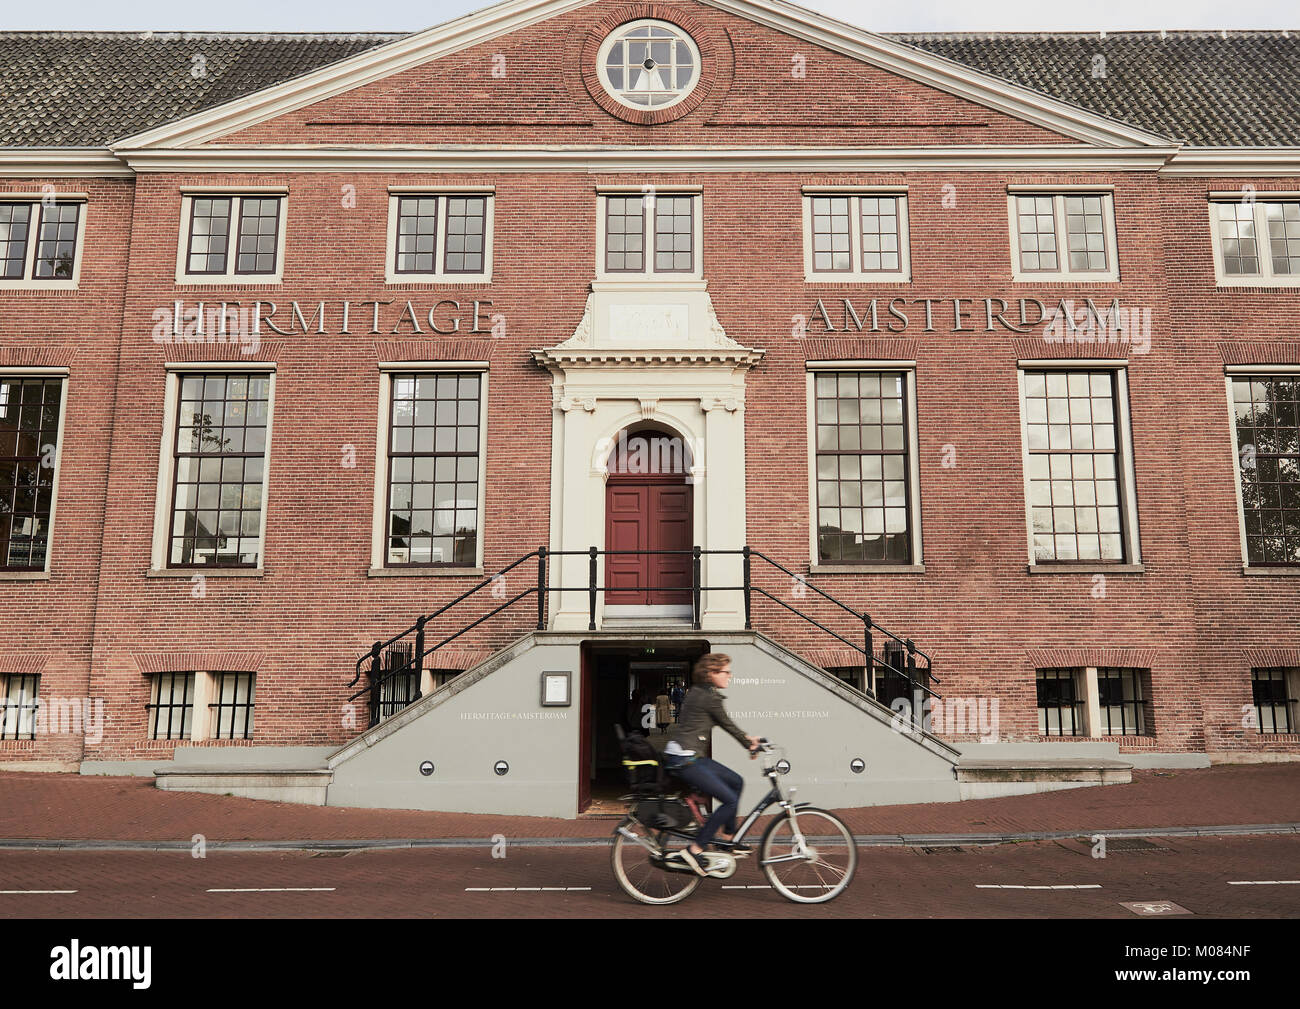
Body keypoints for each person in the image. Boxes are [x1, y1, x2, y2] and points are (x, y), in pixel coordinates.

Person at [660, 654, 761, 876]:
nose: (730, 676)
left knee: (736, 781)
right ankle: (695, 849)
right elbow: (728, 724)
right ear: (711, 673)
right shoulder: (708, 698)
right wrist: (750, 744)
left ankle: (727, 840)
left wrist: (749, 741)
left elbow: (725, 723)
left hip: (689, 755)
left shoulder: (700, 693)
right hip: (684, 759)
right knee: (730, 799)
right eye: (726, 671)